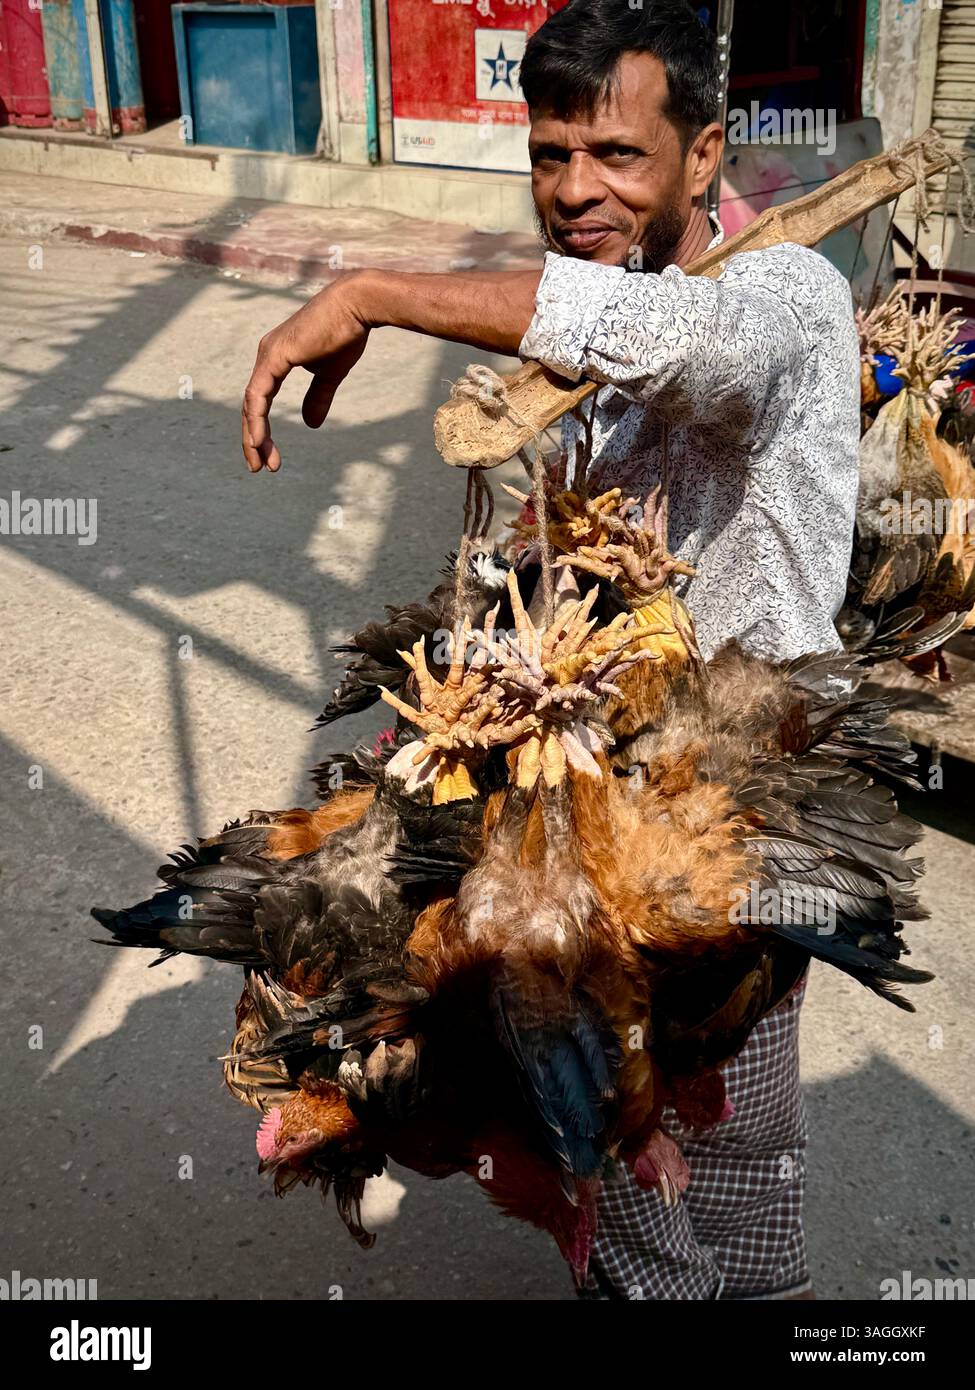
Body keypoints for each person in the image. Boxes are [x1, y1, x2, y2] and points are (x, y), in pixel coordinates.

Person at [241, 0, 860, 1300]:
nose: (576, 189)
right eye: (549, 153)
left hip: (738, 855)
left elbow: (678, 343)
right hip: (608, 843)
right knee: (647, 1164)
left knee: (708, 1155)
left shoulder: (786, 296)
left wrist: (369, 291)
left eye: (618, 155)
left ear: (705, 156)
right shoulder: (608, 334)